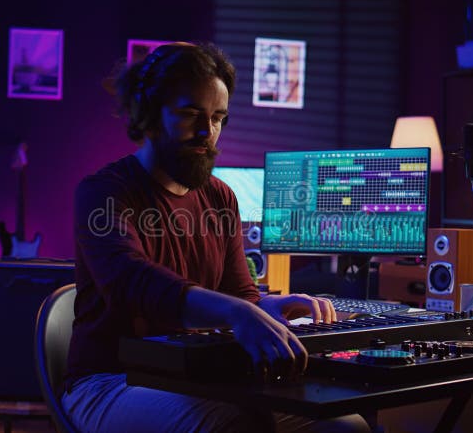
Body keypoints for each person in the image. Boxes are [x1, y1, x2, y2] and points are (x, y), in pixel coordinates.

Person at [64, 42, 371, 432]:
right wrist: (237, 313)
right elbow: (131, 282)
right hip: (109, 383)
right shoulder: (103, 192)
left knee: (346, 426)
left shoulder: (220, 196)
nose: (207, 131)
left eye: (218, 117)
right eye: (191, 114)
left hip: (197, 376)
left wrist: (263, 310)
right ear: (150, 116)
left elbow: (238, 293)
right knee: (235, 424)